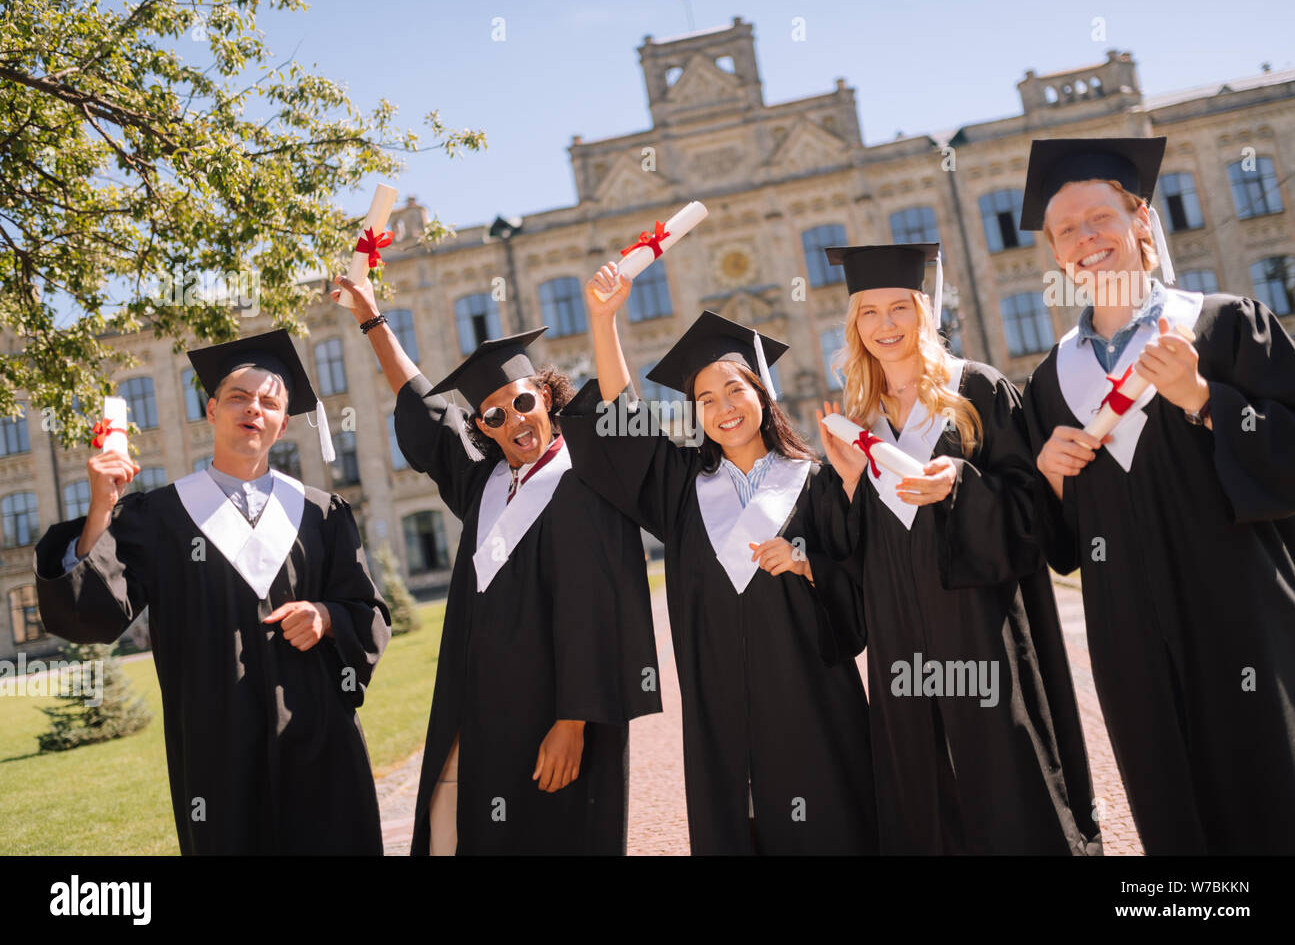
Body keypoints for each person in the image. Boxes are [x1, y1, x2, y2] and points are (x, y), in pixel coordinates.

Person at [1020, 136, 1295, 854]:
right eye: (1067, 231)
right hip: (1129, 636)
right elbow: (1058, 546)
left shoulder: (1225, 324)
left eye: (1100, 218)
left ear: (1141, 217)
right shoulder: (1054, 383)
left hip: (1244, 614)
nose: (1087, 239)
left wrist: (1205, 399)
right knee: (1169, 803)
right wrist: (1049, 474)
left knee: (1271, 785)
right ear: (1055, 254)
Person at [332, 275, 660, 856]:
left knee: (551, 836)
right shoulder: (482, 481)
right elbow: (425, 409)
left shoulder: (589, 480)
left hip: (554, 714)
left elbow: (598, 606)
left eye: (523, 403)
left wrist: (574, 722)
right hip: (474, 708)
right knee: (451, 831)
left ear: (549, 397)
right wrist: (372, 318)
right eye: (493, 417)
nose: (514, 422)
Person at [555, 264, 877, 855]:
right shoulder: (680, 487)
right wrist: (603, 319)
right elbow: (621, 419)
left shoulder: (818, 483)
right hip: (719, 706)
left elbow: (865, 592)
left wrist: (809, 565)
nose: (724, 407)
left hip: (813, 700)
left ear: (762, 394)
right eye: (706, 398)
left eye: (735, 390)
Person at [34, 329, 391, 854]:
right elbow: (92, 612)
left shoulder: (321, 513)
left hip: (320, 739)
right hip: (216, 745)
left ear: (282, 423)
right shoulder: (158, 516)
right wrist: (101, 510)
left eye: (268, 402)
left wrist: (327, 615)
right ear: (212, 410)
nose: (253, 409)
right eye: (238, 398)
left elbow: (369, 612)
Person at [814, 243, 1100, 854]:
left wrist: (958, 486)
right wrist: (846, 483)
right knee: (919, 772)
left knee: (999, 756)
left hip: (978, 620)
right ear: (854, 325)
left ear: (924, 311)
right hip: (898, 630)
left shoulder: (976, 390)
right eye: (869, 312)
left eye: (899, 308)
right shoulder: (860, 416)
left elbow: (1032, 507)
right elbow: (858, 549)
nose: (885, 325)